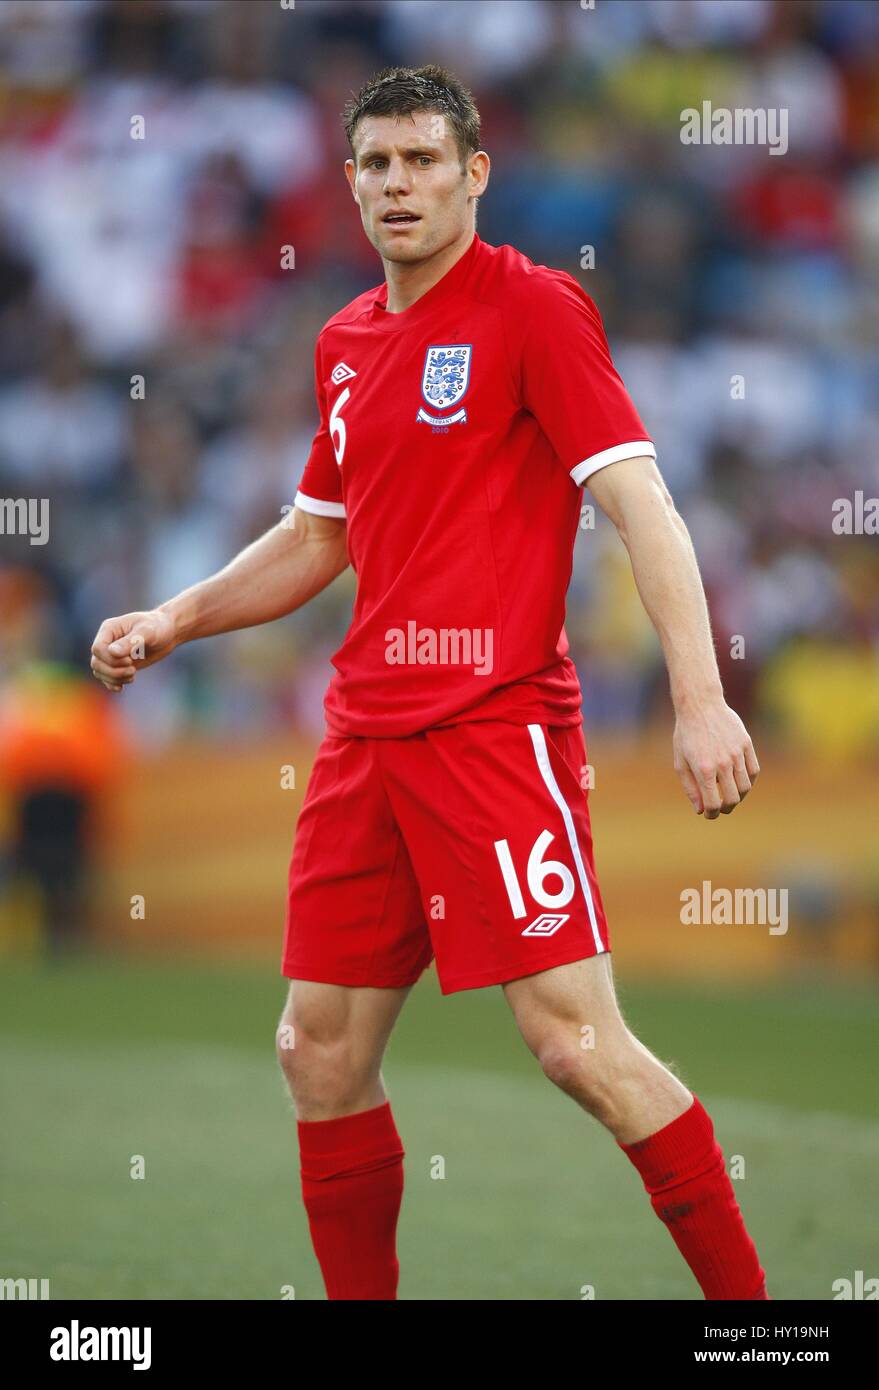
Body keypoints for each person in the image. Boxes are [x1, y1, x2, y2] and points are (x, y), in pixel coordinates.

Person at [90, 65, 768, 1302]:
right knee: (318, 1053)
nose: (400, 186)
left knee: (575, 1047)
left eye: (423, 161)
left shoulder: (535, 310)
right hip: (365, 741)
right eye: (377, 166)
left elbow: (641, 504)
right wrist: (177, 617)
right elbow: (316, 535)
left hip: (493, 729)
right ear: (350, 183)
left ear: (475, 174)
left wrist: (701, 694)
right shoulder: (347, 343)